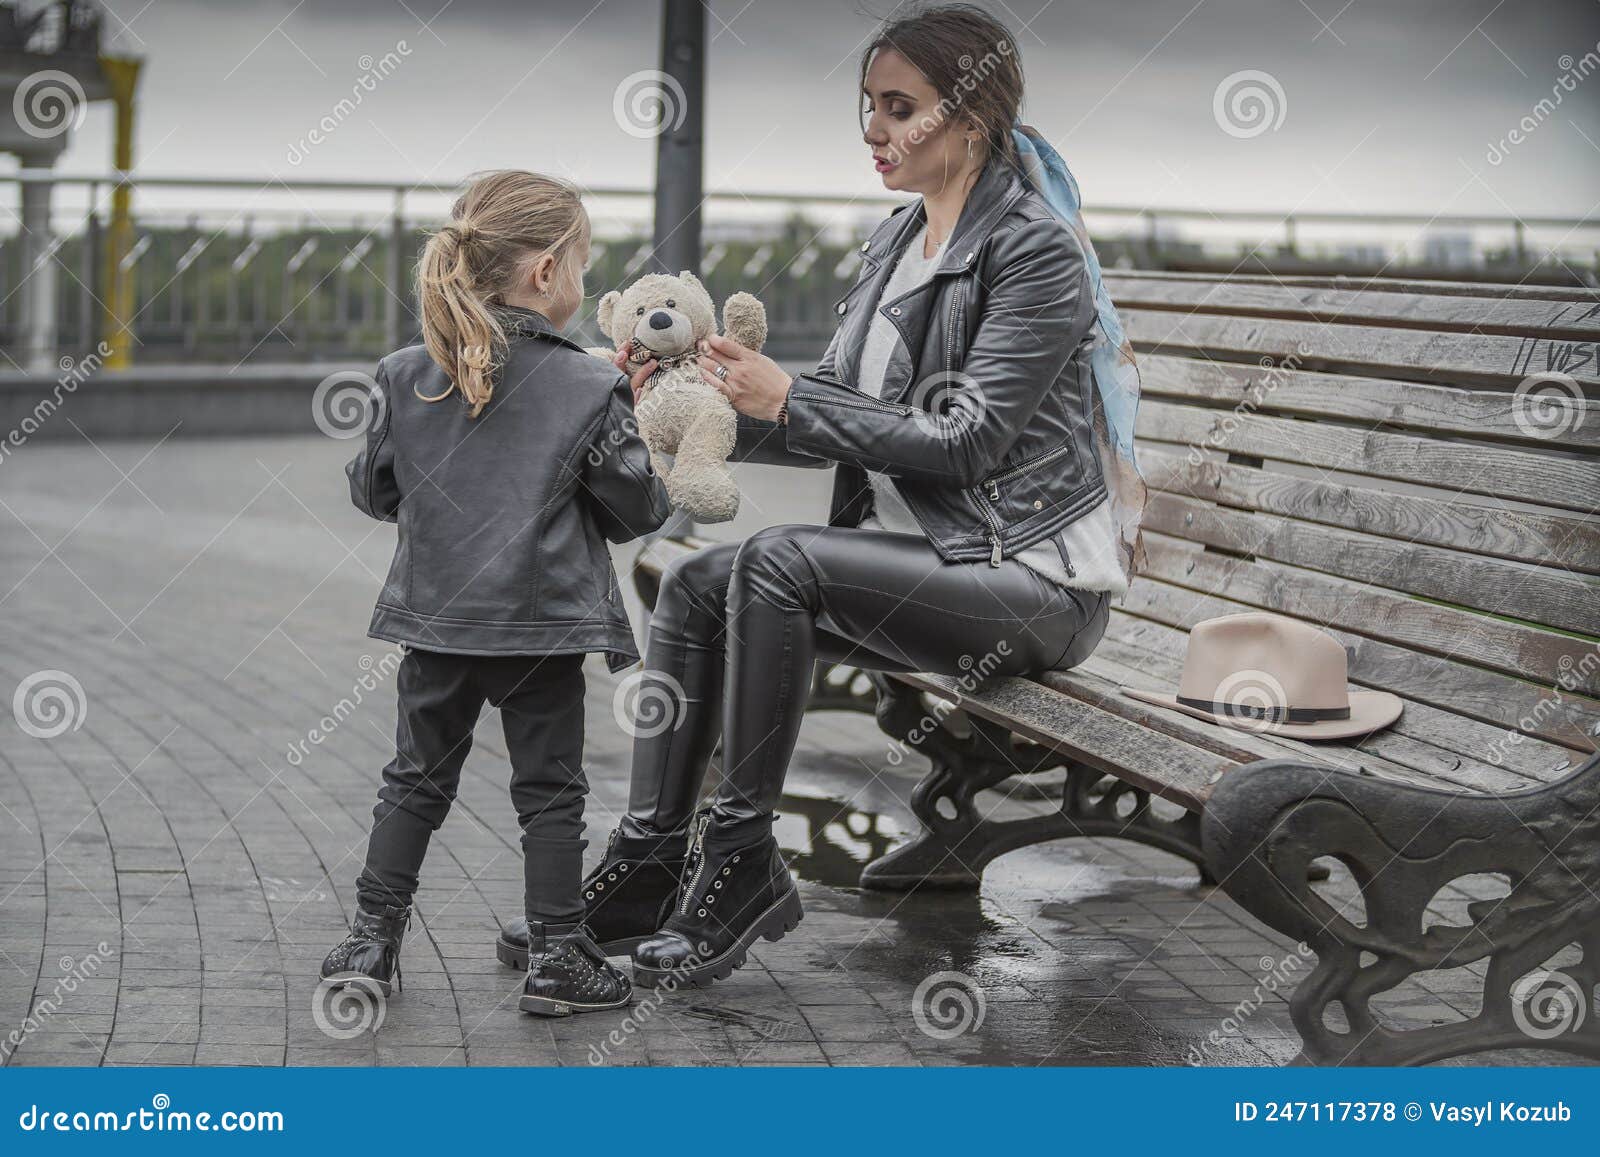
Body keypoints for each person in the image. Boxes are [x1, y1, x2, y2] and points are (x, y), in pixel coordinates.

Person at [496, 2, 1148, 990]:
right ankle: (647, 857)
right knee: (696, 582)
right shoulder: (896, 244)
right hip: (927, 568)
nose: (873, 130)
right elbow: (837, 414)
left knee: (776, 561)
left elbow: (966, 443)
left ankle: (743, 855)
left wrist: (791, 396)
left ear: (969, 119)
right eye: (868, 105)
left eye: (900, 108)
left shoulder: (1032, 251)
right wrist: (692, 407)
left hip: (1030, 581)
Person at [322, 170, 670, 1016]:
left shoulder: (407, 373)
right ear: (546, 273)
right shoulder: (590, 385)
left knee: (414, 776)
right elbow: (637, 512)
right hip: (541, 626)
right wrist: (634, 409)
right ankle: (558, 956)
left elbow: (374, 491)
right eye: (582, 266)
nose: (584, 285)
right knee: (550, 789)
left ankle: (371, 940)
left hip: (437, 621)